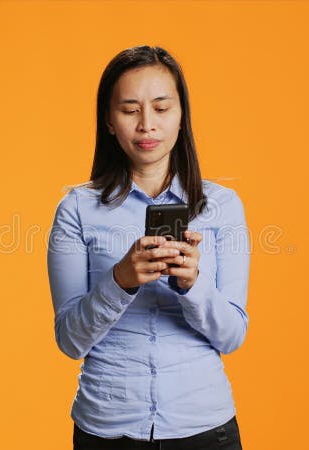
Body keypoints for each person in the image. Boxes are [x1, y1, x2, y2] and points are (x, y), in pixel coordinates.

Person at [47, 45, 251, 450]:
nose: (147, 125)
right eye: (129, 110)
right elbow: (70, 341)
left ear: (181, 117)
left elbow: (232, 336)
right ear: (109, 121)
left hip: (205, 428)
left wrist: (193, 287)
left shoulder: (222, 206)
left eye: (161, 107)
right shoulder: (76, 209)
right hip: (107, 428)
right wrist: (119, 281)